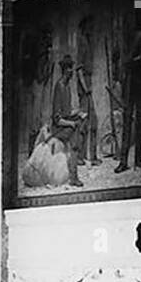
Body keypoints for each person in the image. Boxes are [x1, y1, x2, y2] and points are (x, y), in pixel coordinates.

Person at [114, 23, 141, 173]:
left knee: (140, 125)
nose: (140, 39)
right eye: (138, 38)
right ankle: (123, 161)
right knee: (127, 126)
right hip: (130, 91)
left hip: (140, 91)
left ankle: (138, 158)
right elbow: (125, 64)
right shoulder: (128, 53)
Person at [49, 55, 85, 187]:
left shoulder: (67, 87)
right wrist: (72, 123)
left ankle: (76, 164)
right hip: (57, 129)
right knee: (75, 132)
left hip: (64, 123)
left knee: (79, 123)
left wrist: (77, 113)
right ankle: (74, 177)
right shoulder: (59, 87)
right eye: (70, 69)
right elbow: (57, 119)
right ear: (65, 70)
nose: (72, 72)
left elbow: (67, 112)